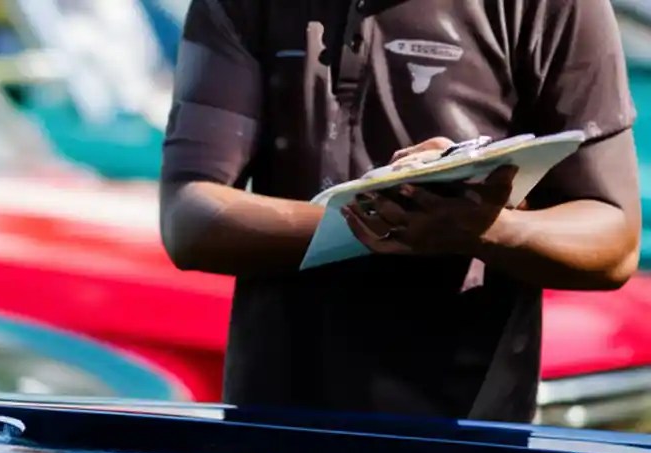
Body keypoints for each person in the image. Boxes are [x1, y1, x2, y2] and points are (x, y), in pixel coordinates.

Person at [159, 0, 642, 422]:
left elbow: (613, 239)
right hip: (280, 433)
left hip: (469, 446)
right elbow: (190, 216)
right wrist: (390, 214)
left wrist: (488, 228)